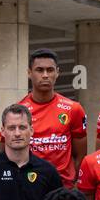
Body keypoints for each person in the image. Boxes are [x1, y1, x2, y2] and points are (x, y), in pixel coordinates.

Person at [14, 48, 87, 186]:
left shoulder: (73, 109)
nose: (45, 75)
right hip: (28, 185)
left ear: (57, 73)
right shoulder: (18, 111)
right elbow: (7, 153)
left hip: (63, 187)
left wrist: (71, 183)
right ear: (29, 73)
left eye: (50, 70)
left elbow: (80, 155)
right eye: (39, 70)